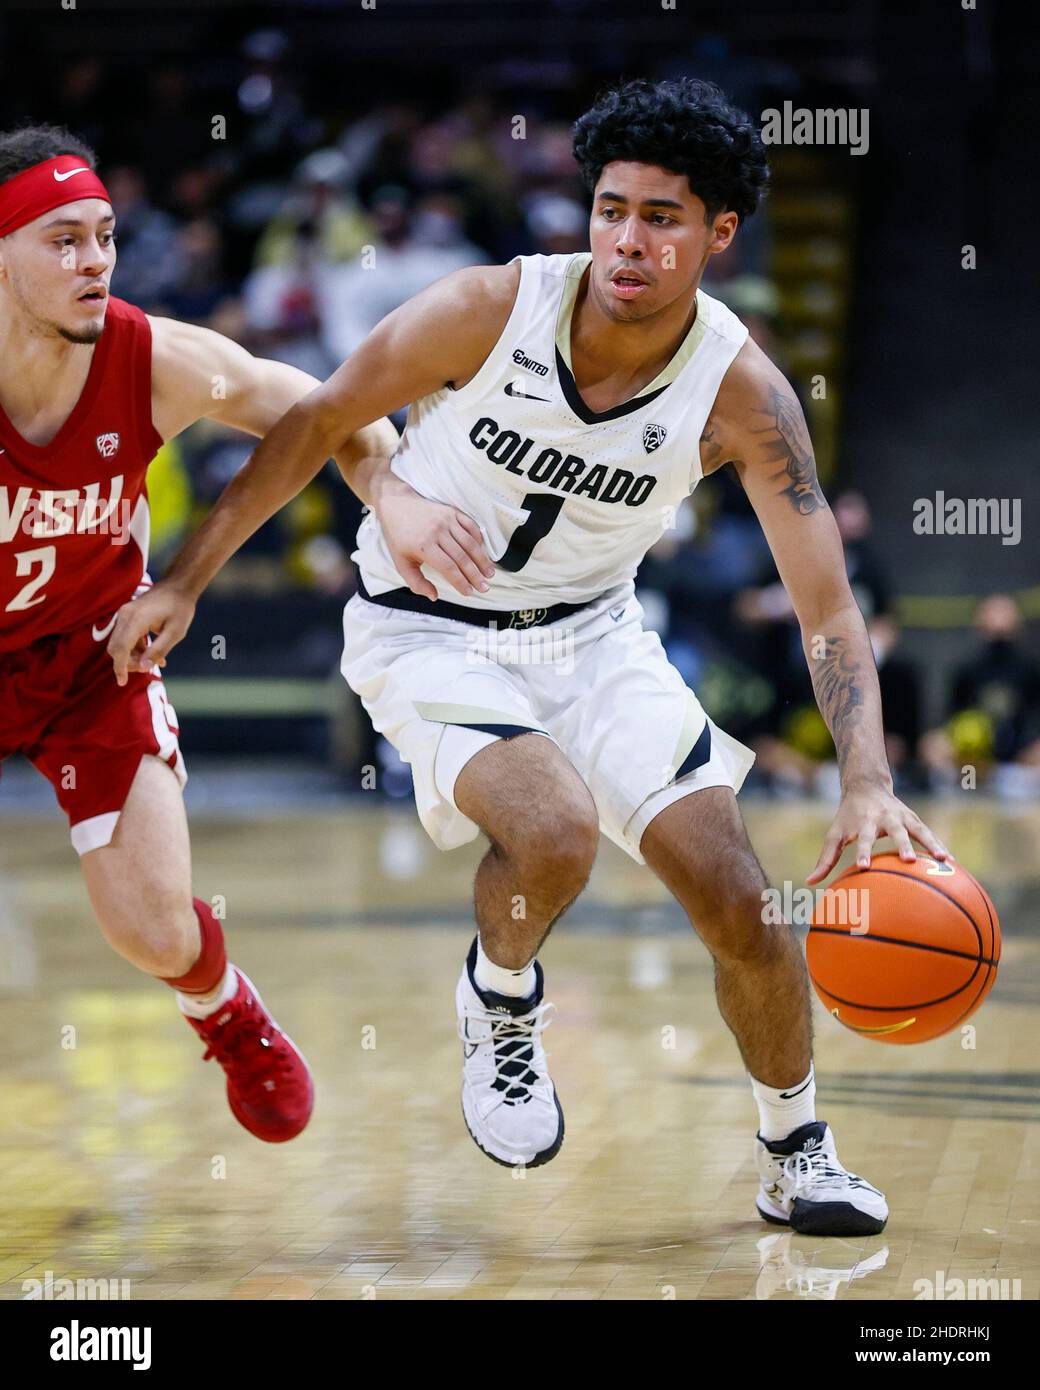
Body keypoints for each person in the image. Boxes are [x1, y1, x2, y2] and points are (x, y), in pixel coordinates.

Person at [110, 79, 952, 1234]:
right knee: (549, 830)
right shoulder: (488, 307)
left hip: (594, 634)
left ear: (717, 235)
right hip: (424, 626)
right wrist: (185, 579)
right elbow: (313, 420)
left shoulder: (742, 394)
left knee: (743, 906)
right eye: (610, 208)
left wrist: (865, 772)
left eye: (662, 217)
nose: (626, 239)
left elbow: (824, 605)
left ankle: (794, 1149)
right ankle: (501, 999)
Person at [0, 124, 483, 1144]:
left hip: (91, 655)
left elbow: (333, 414)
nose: (95, 262)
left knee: (150, 926)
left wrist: (387, 497)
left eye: (105, 235)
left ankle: (227, 1012)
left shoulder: (153, 357)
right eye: (63, 241)